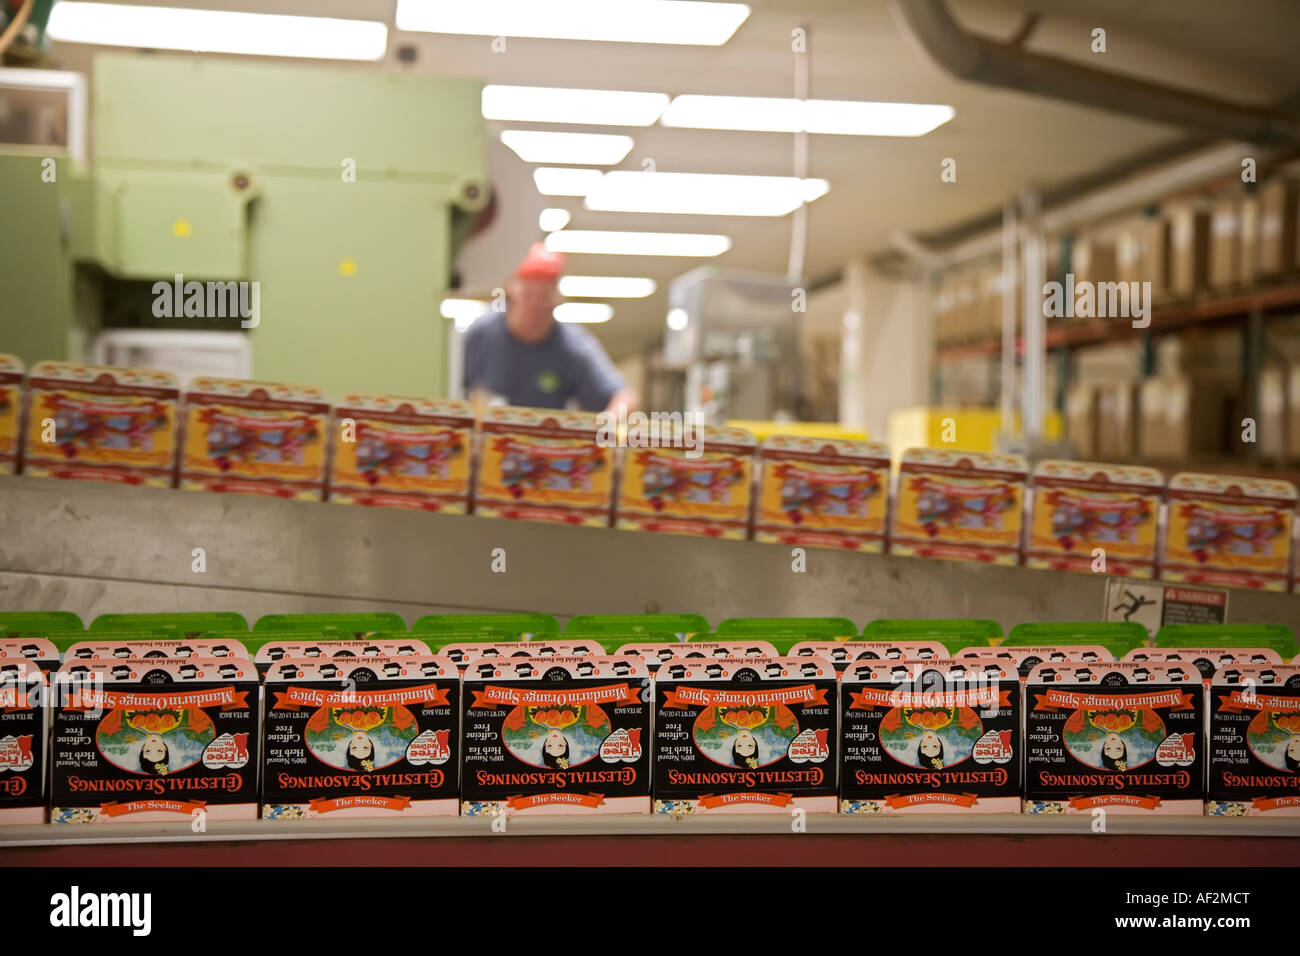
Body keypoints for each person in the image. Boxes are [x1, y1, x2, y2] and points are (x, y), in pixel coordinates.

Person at [463, 243, 638, 413]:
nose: (536, 304)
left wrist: (607, 424)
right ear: (512, 288)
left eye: (544, 296)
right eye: (529, 295)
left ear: (556, 297)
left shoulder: (572, 345)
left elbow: (625, 398)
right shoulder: (481, 334)